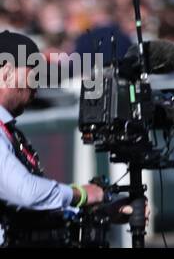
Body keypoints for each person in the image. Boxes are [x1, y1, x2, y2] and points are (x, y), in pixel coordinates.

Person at [0, 31, 105, 246]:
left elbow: (30, 205)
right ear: (6, 74)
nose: (37, 85)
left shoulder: (9, 129)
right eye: (34, 74)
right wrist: (82, 195)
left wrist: (102, 208)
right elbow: (26, 193)